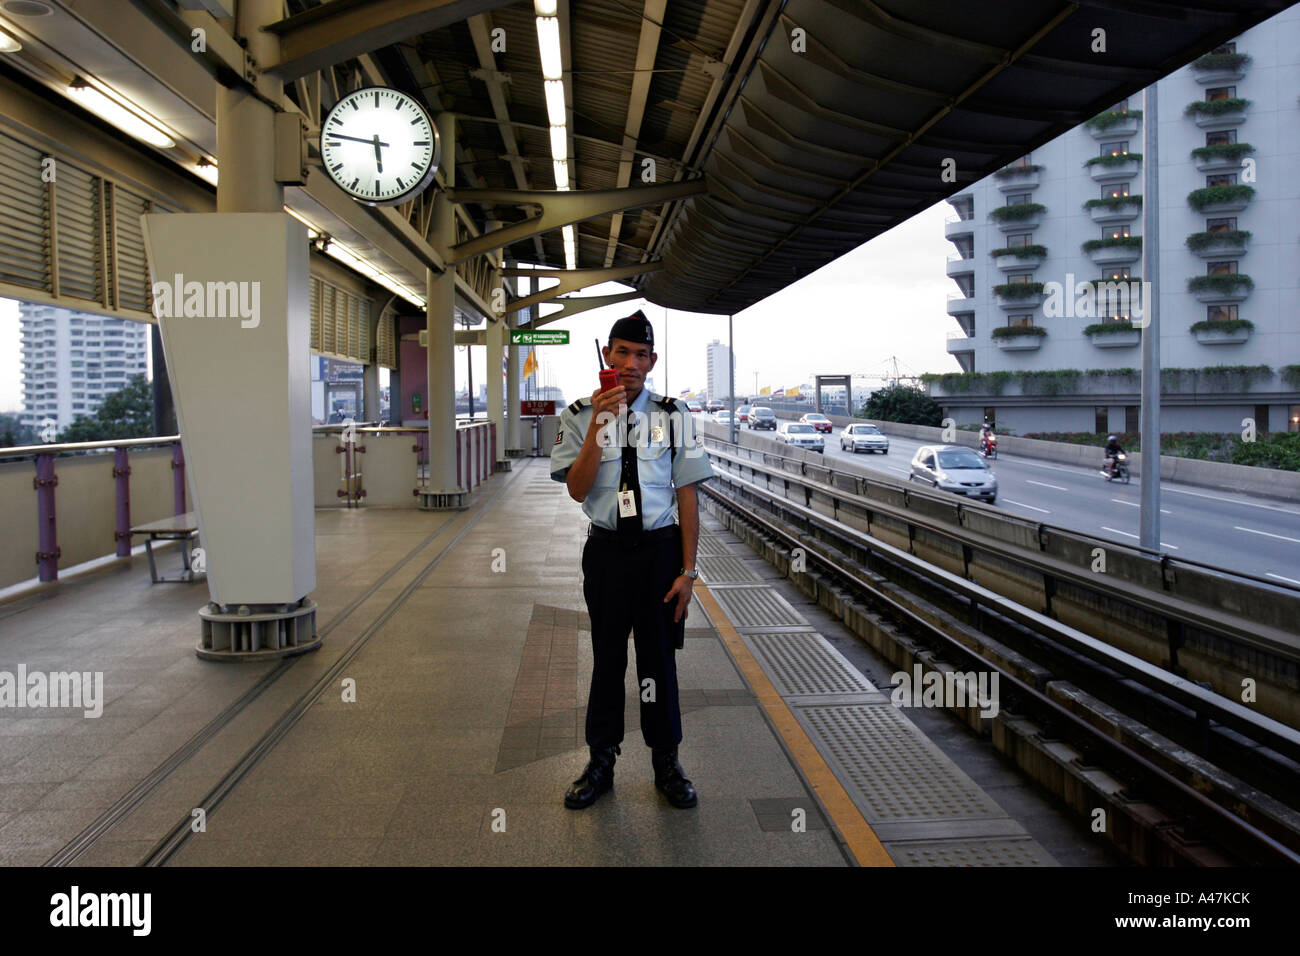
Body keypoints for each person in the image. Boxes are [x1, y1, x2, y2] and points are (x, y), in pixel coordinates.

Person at [549, 310, 714, 810]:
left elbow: (687, 496)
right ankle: (601, 761)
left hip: (660, 554)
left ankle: (666, 761)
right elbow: (577, 490)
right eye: (621, 352)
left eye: (641, 354)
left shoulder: (673, 415)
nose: (631, 363)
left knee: (658, 663)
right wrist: (601, 423)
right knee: (606, 661)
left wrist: (688, 572)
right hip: (606, 554)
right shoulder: (578, 415)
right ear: (607, 356)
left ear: (653, 361)